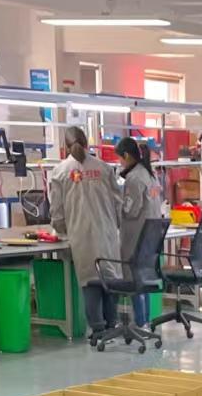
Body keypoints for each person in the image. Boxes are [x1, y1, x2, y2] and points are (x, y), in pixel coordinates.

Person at [48, 125, 120, 343]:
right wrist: (115, 225)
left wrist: (61, 231)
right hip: (107, 232)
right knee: (110, 279)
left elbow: (57, 211)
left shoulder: (60, 172)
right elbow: (118, 202)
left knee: (91, 283)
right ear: (87, 144)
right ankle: (112, 325)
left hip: (80, 235)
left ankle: (97, 329)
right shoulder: (104, 168)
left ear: (65, 147)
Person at [115, 136, 165, 328]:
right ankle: (145, 321)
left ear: (127, 156)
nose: (120, 163)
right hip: (149, 238)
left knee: (134, 280)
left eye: (120, 158)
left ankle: (139, 322)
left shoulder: (134, 178)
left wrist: (116, 203)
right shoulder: (150, 175)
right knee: (144, 279)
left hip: (135, 237)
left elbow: (130, 210)